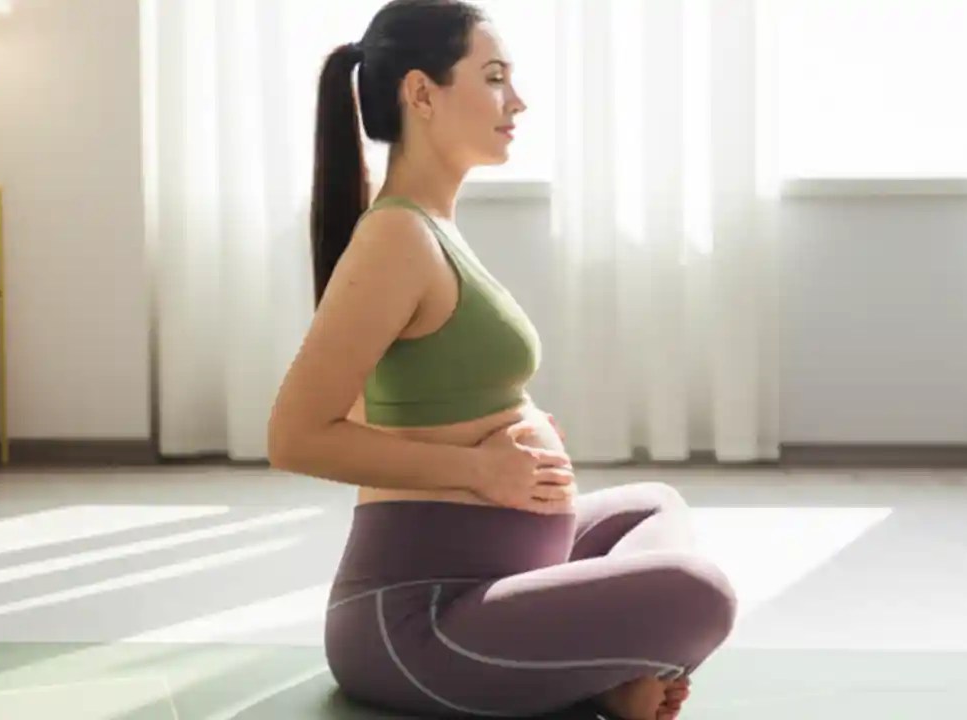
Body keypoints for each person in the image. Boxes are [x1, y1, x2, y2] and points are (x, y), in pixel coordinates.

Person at [267, 1, 737, 717]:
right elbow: (295, 436)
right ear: (422, 94)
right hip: (418, 622)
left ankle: (601, 674)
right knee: (698, 593)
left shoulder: (432, 229)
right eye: (493, 78)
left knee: (654, 505)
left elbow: (398, 396)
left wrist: (506, 416)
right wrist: (479, 467)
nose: (516, 102)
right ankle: (605, 677)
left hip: (496, 568)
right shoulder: (396, 239)